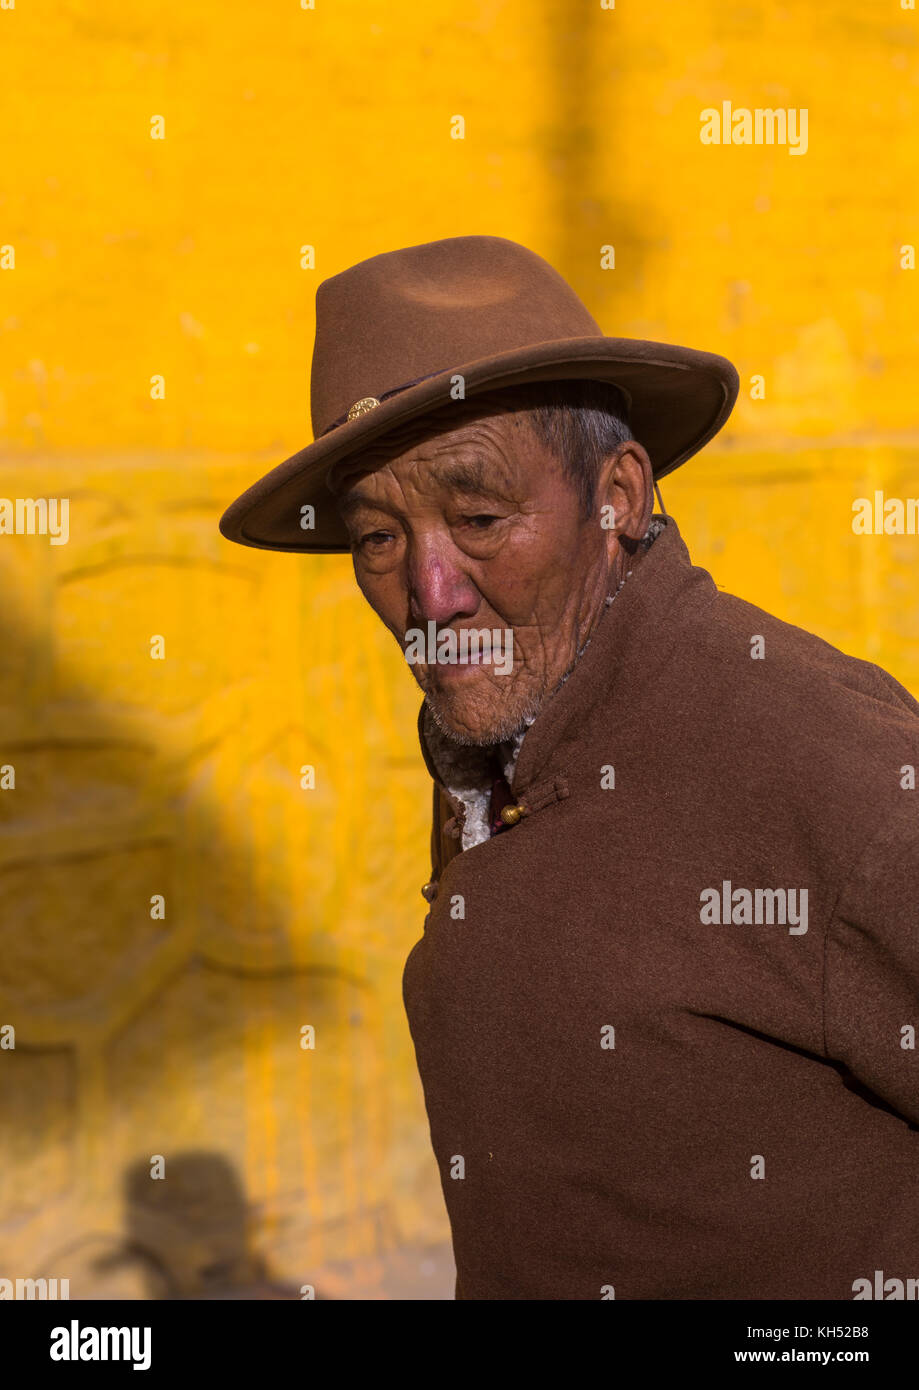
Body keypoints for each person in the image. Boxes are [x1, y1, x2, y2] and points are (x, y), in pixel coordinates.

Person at [220, 235, 919, 1300]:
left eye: (480, 518)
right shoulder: (494, 750)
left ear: (619, 497)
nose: (431, 592)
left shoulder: (821, 760)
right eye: (377, 540)